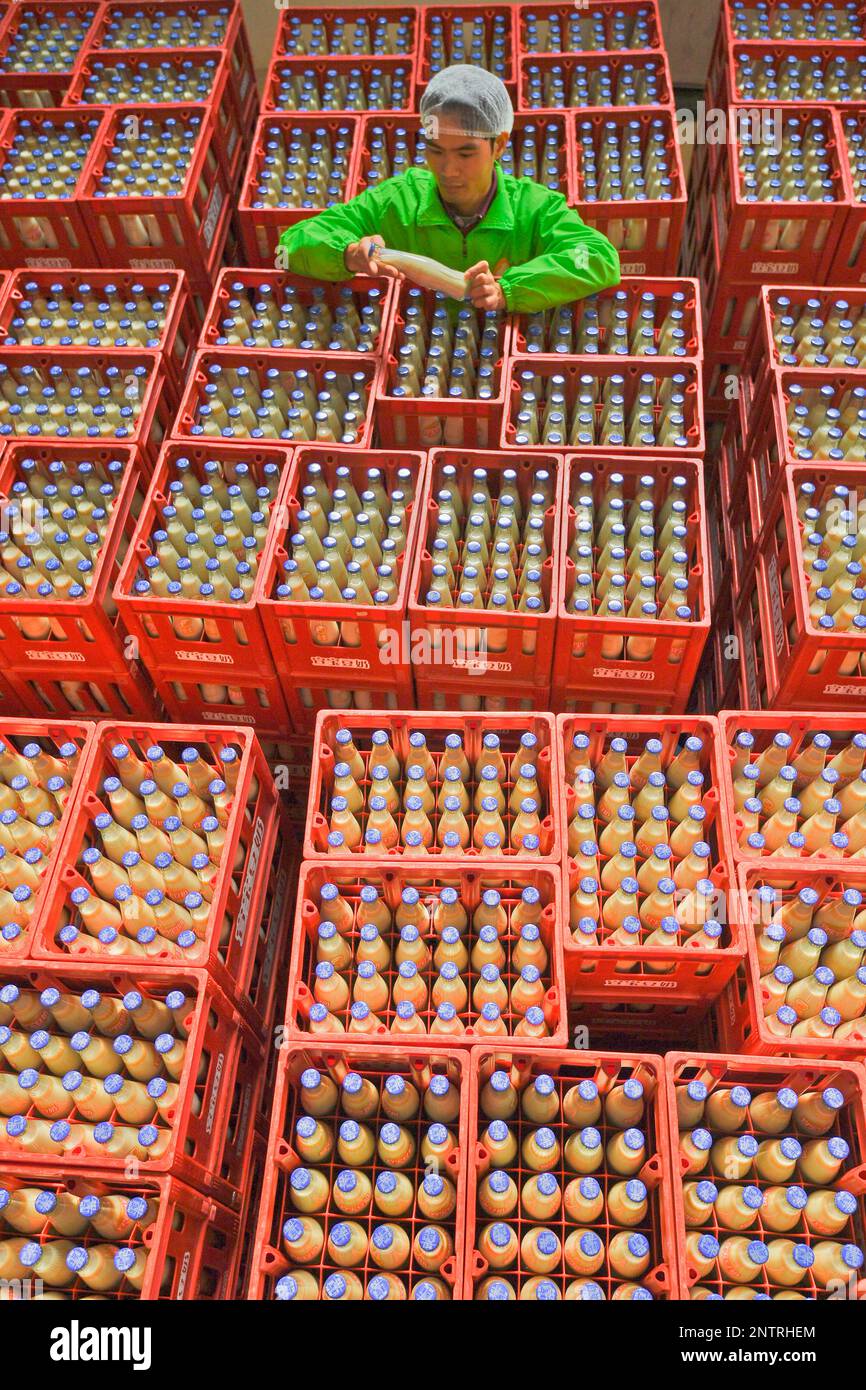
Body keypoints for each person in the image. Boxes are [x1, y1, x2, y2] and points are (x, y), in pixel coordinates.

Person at [279, 65, 621, 312]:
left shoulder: (533, 209)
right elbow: (291, 246)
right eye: (435, 151)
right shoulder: (397, 202)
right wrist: (347, 252)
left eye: (465, 153)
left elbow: (596, 257)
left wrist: (508, 289)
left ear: (499, 145)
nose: (448, 169)